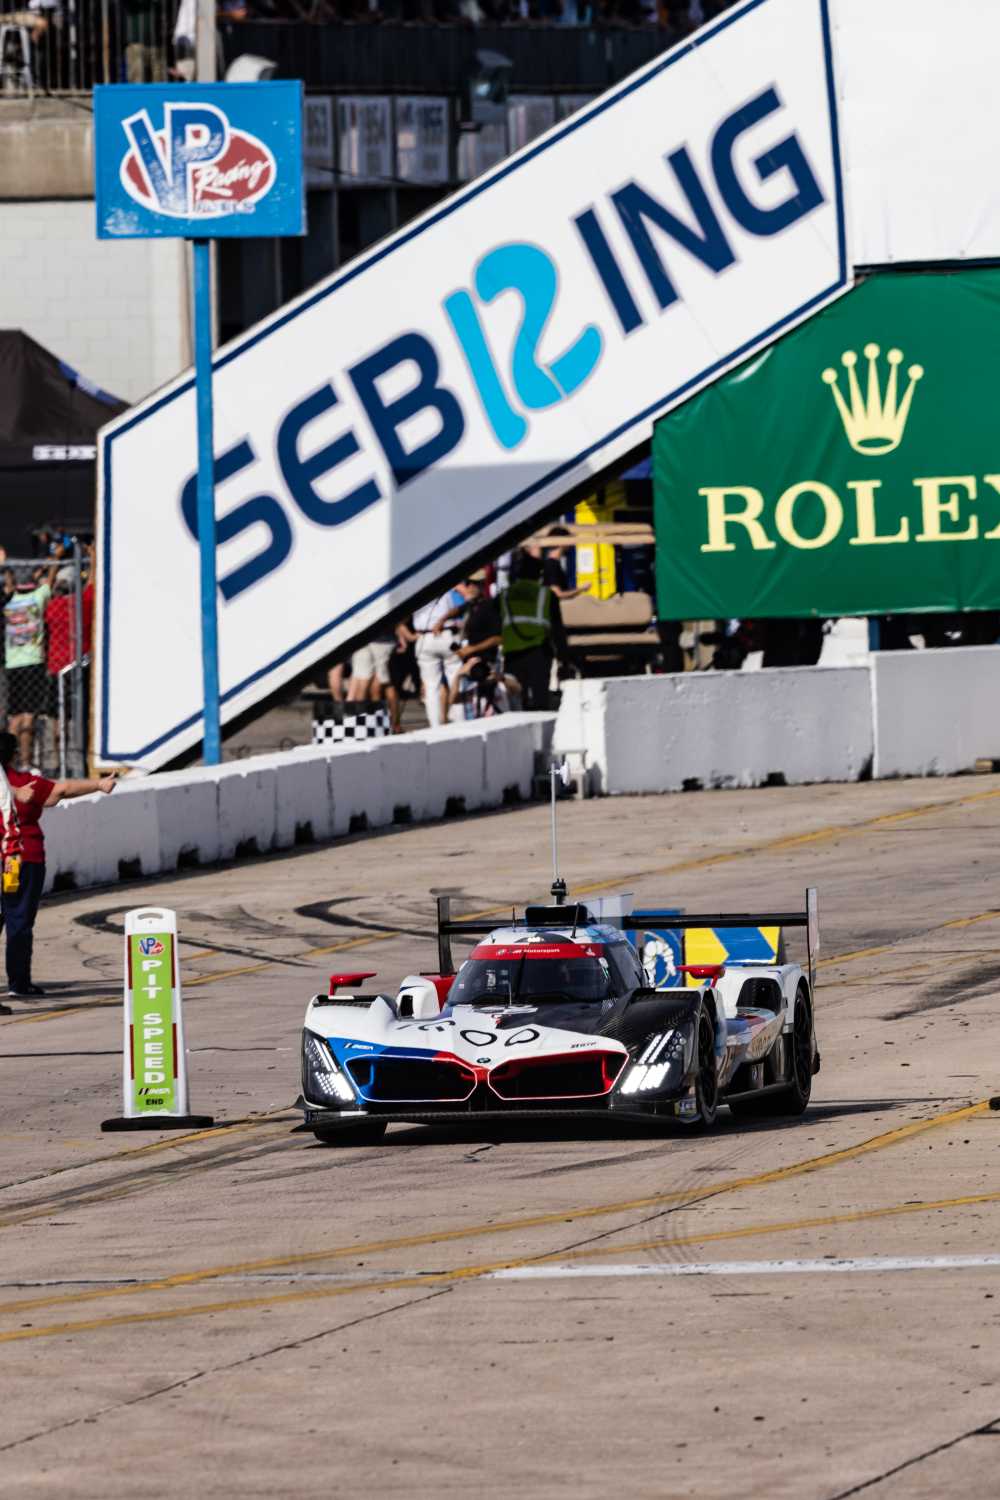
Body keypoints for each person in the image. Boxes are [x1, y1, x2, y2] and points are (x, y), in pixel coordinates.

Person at [0, 733, 116, 1003]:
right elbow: (59, 791)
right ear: (13, 754)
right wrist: (98, 784)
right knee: (19, 921)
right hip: (21, 857)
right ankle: (19, 981)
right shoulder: (21, 783)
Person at [500, 550, 565, 710]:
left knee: (515, 700)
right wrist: (564, 658)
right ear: (539, 574)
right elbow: (558, 629)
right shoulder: (546, 594)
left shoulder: (505, 595)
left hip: (512, 654)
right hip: (539, 652)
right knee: (540, 698)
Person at [4, 567, 55, 769]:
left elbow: (9, 582)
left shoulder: (8, 601)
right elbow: (49, 582)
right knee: (28, 716)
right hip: (33, 662)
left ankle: (6, 763)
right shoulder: (38, 596)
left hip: (12, 664)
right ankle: (25, 763)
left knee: (14, 718)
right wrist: (53, 562)